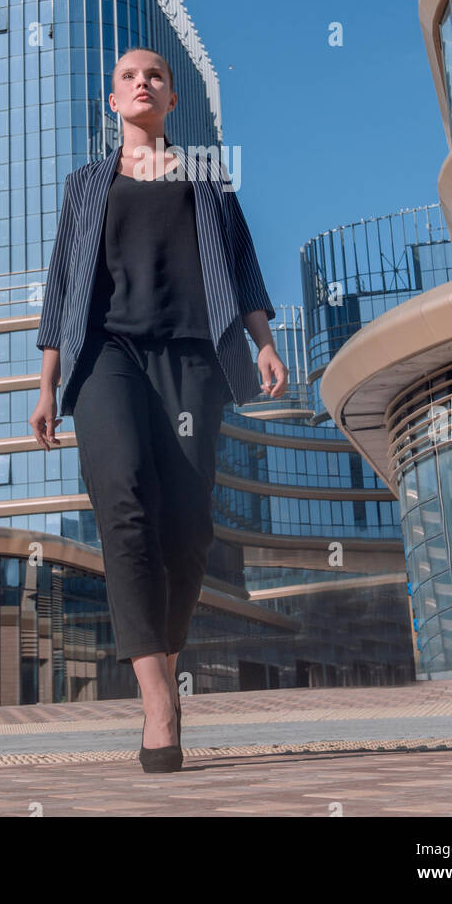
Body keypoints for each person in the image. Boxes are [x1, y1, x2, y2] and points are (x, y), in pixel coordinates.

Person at [30, 47, 287, 771]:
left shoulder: (205, 176)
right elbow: (60, 292)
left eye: (155, 77)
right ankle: (157, 702)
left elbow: (242, 264)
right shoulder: (86, 186)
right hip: (107, 359)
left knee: (189, 526)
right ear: (114, 101)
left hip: (192, 358)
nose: (142, 83)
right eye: (128, 77)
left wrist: (263, 344)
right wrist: (48, 385)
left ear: (171, 99)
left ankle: (163, 666)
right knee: (126, 508)